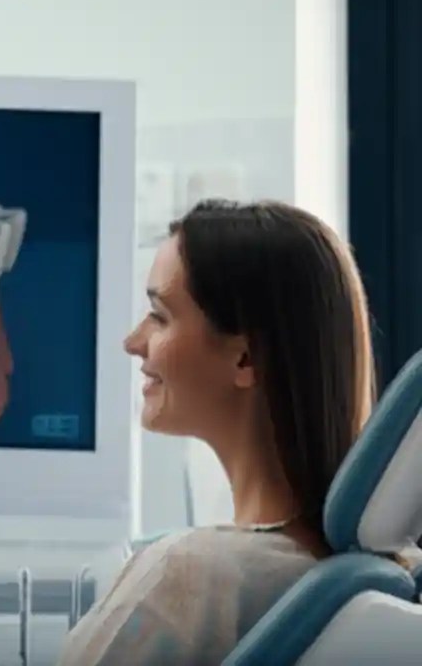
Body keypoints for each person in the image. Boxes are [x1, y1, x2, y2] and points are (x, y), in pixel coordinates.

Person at [55, 198, 378, 665]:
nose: (133, 342)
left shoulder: (191, 576)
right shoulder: (368, 577)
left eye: (160, 316)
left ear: (246, 358)